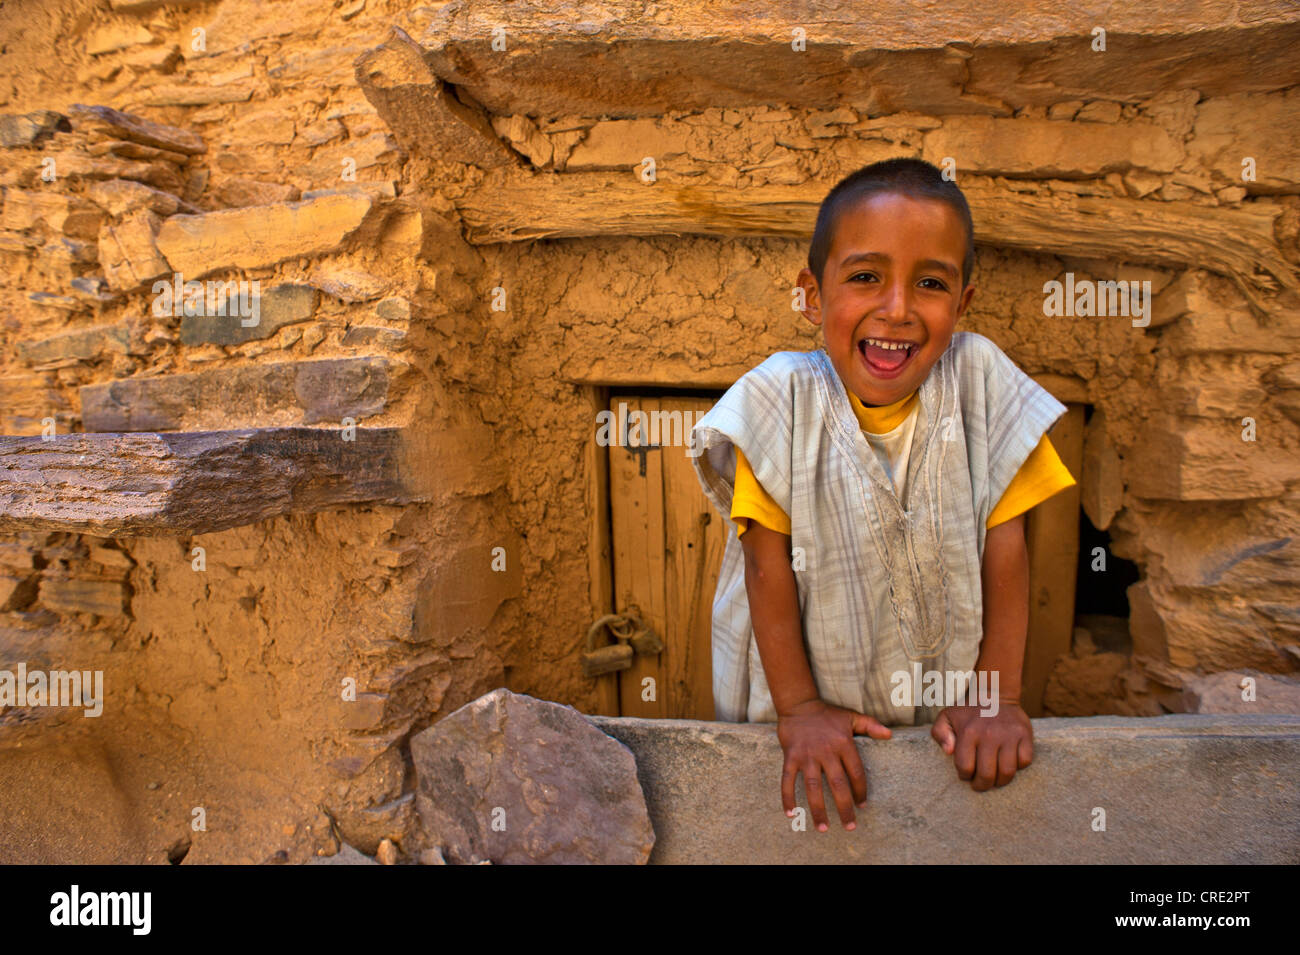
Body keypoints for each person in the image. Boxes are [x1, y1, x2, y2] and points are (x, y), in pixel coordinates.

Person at [689, 157, 1077, 834]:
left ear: (961, 304)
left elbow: (1006, 548)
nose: (896, 308)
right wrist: (801, 709)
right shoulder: (779, 400)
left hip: (942, 722)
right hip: (802, 719)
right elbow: (765, 563)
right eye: (866, 277)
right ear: (813, 294)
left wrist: (997, 696)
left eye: (930, 283)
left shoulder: (982, 385)